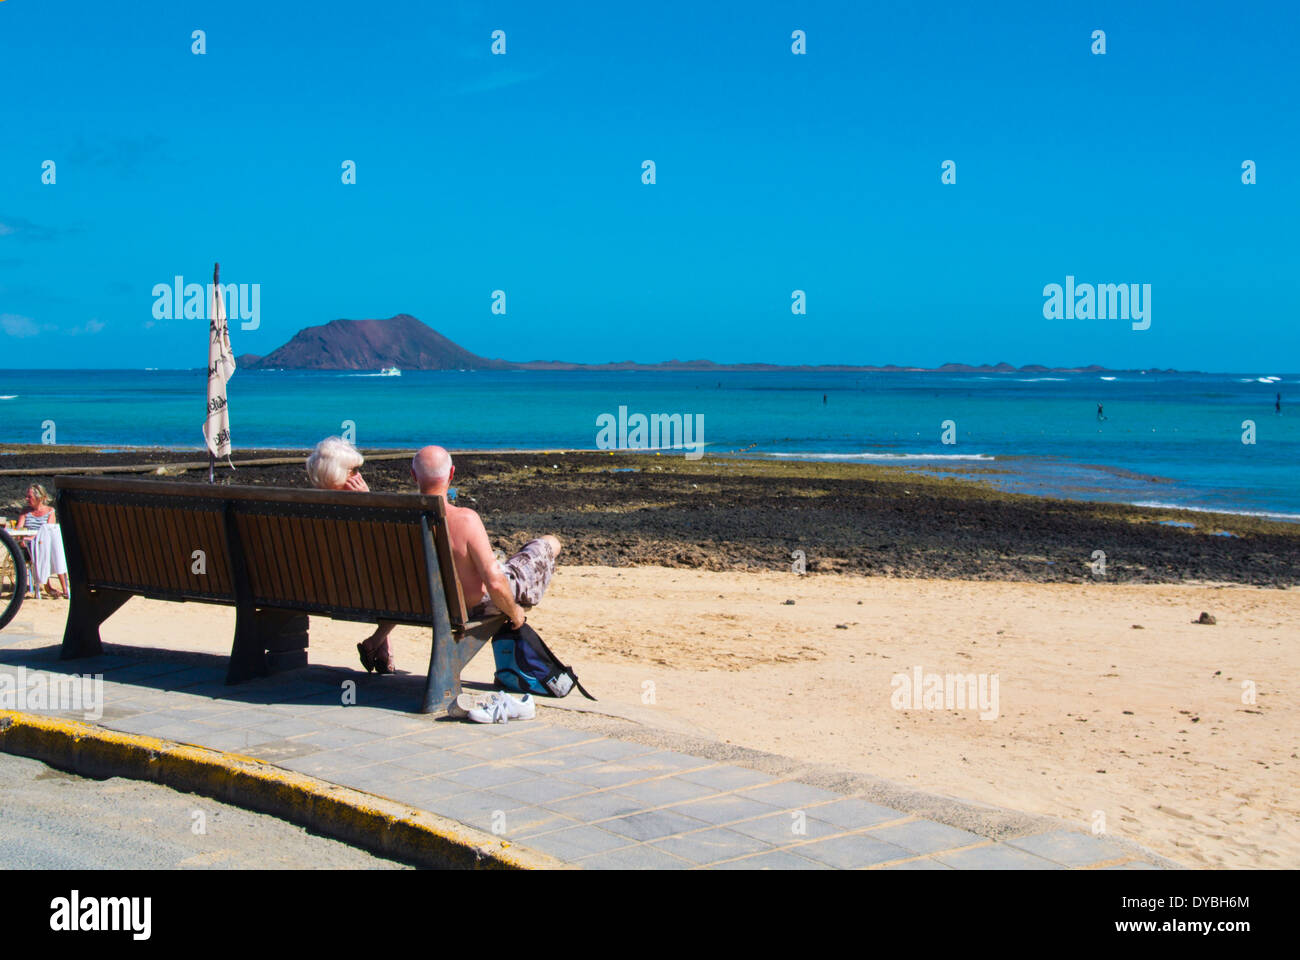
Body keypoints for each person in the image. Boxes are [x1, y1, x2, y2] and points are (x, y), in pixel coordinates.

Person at [358, 446, 563, 677]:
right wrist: (516, 614)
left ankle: (376, 639)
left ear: (414, 475)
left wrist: (364, 497)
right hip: (468, 606)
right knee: (550, 543)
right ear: (452, 473)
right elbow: (495, 584)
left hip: (416, 601)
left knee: (426, 575)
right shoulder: (465, 520)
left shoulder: (396, 520)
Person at [18, 484, 68, 599]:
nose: (27, 499)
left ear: (39, 498)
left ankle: (64, 588)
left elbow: (50, 531)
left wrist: (36, 538)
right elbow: (19, 529)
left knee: (53, 550)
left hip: (46, 543)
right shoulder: (25, 512)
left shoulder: (50, 511)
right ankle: (48, 586)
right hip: (30, 545)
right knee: (42, 549)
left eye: (29, 497)